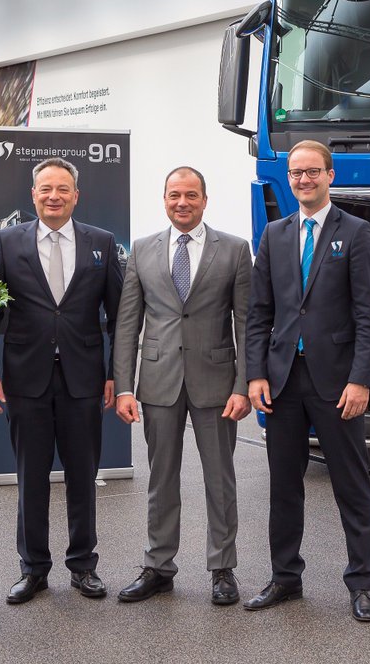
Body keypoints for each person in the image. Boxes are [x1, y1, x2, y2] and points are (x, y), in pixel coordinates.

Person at [244, 139, 370, 622]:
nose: (303, 180)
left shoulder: (357, 232)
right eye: (296, 173)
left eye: (312, 172)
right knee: (284, 486)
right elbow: (260, 313)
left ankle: (361, 584)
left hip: (337, 383)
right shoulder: (275, 234)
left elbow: (369, 315)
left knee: (351, 485)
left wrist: (361, 379)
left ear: (330, 176)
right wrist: (256, 374)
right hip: (282, 381)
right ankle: (285, 577)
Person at [0, 157, 123, 604]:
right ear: (33, 194)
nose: (54, 196)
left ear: (76, 195)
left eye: (63, 189)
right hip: (26, 378)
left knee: (83, 475)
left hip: (84, 379)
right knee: (31, 477)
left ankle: (83, 566)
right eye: (46, 189)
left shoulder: (102, 243)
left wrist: (116, 375)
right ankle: (33, 569)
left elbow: (119, 316)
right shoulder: (7, 242)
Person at [112, 166, 253, 604]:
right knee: (161, 479)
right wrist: (124, 386)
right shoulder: (142, 250)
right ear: (164, 199)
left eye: (191, 195)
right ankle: (158, 566)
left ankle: (222, 569)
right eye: (175, 195)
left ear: (205, 200)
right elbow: (127, 324)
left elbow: (246, 325)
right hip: (159, 382)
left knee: (220, 480)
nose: (182, 203)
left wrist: (243, 385)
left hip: (217, 384)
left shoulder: (234, 250)